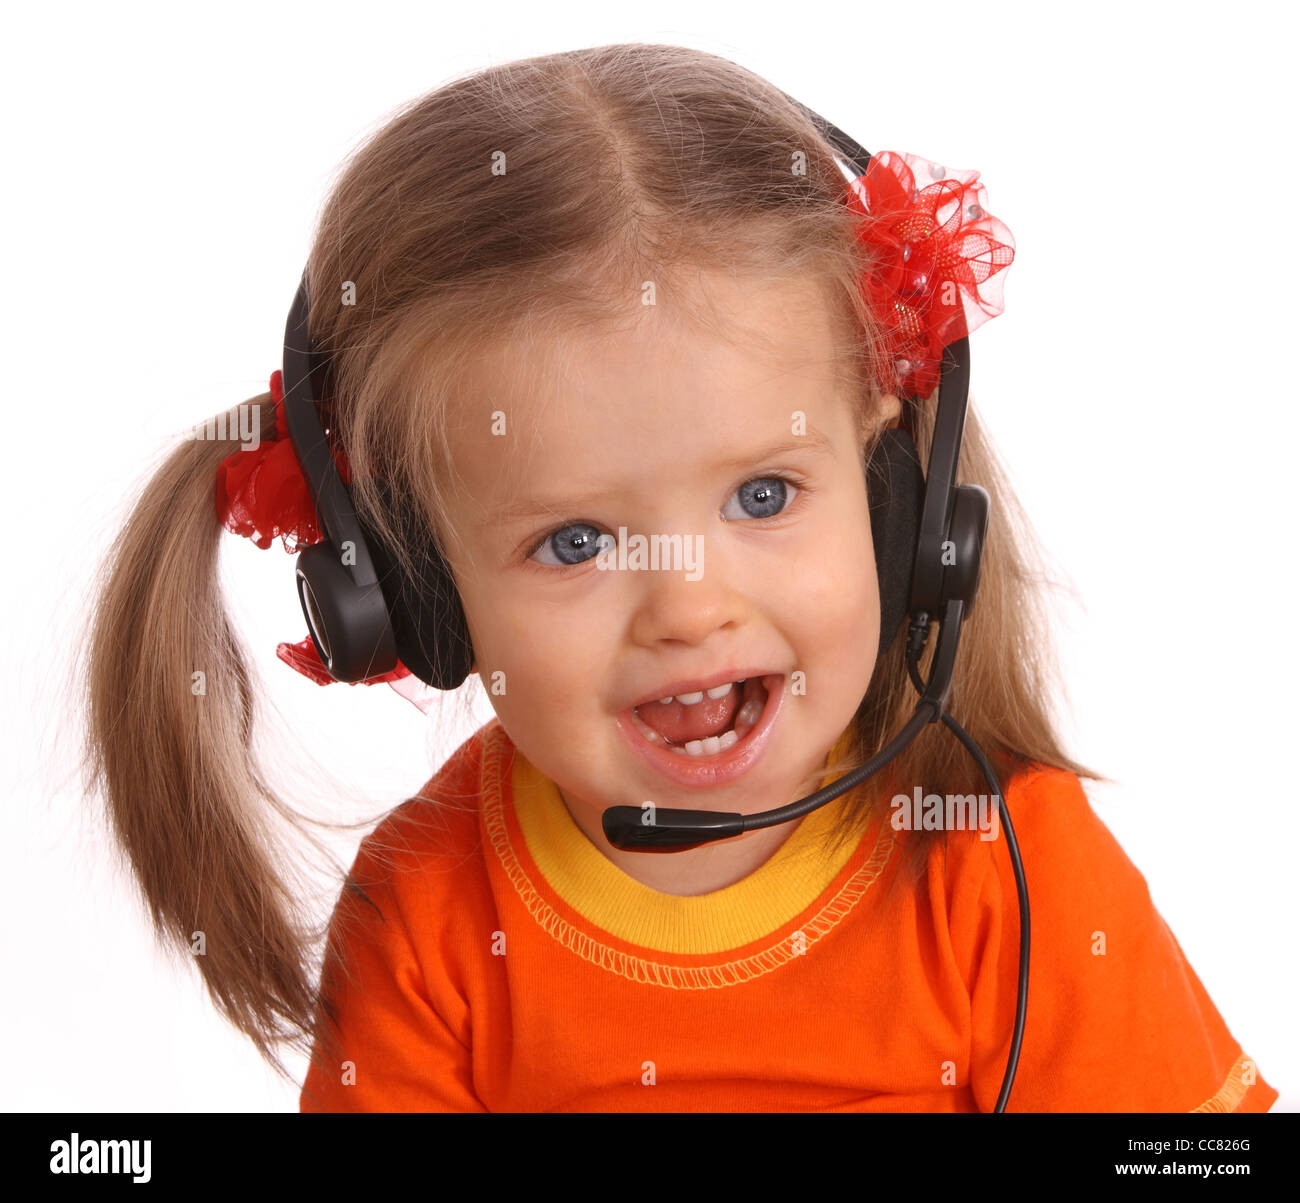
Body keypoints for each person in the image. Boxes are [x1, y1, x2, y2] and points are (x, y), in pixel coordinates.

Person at [80, 42, 1277, 1113]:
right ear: (413, 588)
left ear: (897, 500)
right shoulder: (430, 912)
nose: (689, 607)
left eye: (763, 496)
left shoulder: (1000, 862)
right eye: (574, 542)